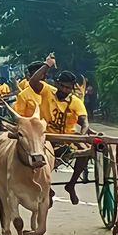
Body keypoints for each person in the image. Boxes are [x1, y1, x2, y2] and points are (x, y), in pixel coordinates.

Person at [26, 55, 90, 205]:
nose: (65, 90)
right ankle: (46, 188)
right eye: (63, 86)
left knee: (86, 151)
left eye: (69, 88)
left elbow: (84, 122)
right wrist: (47, 65)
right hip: (44, 137)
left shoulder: (75, 101)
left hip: (68, 139)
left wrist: (82, 135)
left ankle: (71, 184)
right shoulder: (47, 91)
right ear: (57, 83)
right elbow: (33, 82)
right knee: (37, 161)